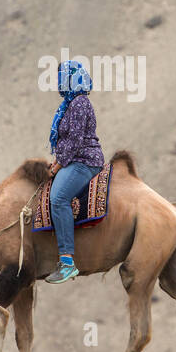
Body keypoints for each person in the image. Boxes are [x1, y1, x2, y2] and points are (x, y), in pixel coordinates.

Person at [44, 60, 105, 284]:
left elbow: (76, 141)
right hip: (72, 159)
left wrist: (58, 165)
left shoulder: (79, 103)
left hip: (84, 160)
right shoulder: (69, 104)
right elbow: (66, 140)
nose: (58, 81)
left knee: (59, 198)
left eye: (61, 76)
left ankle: (67, 262)